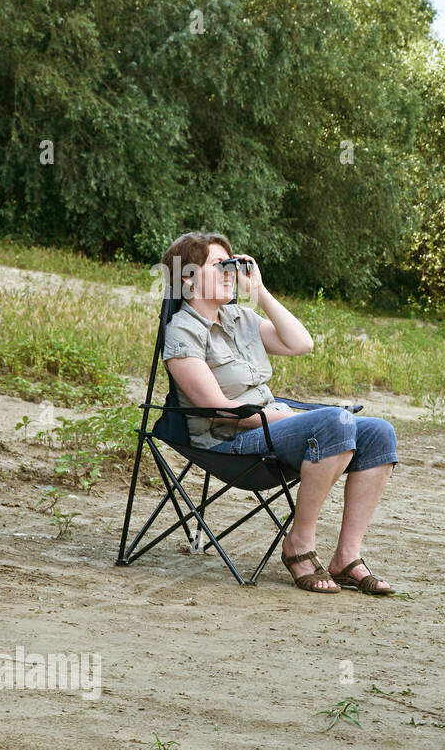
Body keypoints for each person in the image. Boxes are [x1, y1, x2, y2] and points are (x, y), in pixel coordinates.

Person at [160, 231, 398, 595]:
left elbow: (301, 343)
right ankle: (299, 545)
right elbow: (221, 413)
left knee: (379, 432)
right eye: (217, 265)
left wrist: (261, 293)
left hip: (272, 429)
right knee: (335, 422)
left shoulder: (241, 318)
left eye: (231, 265)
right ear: (187, 276)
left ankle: (346, 558)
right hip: (230, 443)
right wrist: (282, 419)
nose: (229, 273)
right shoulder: (182, 333)